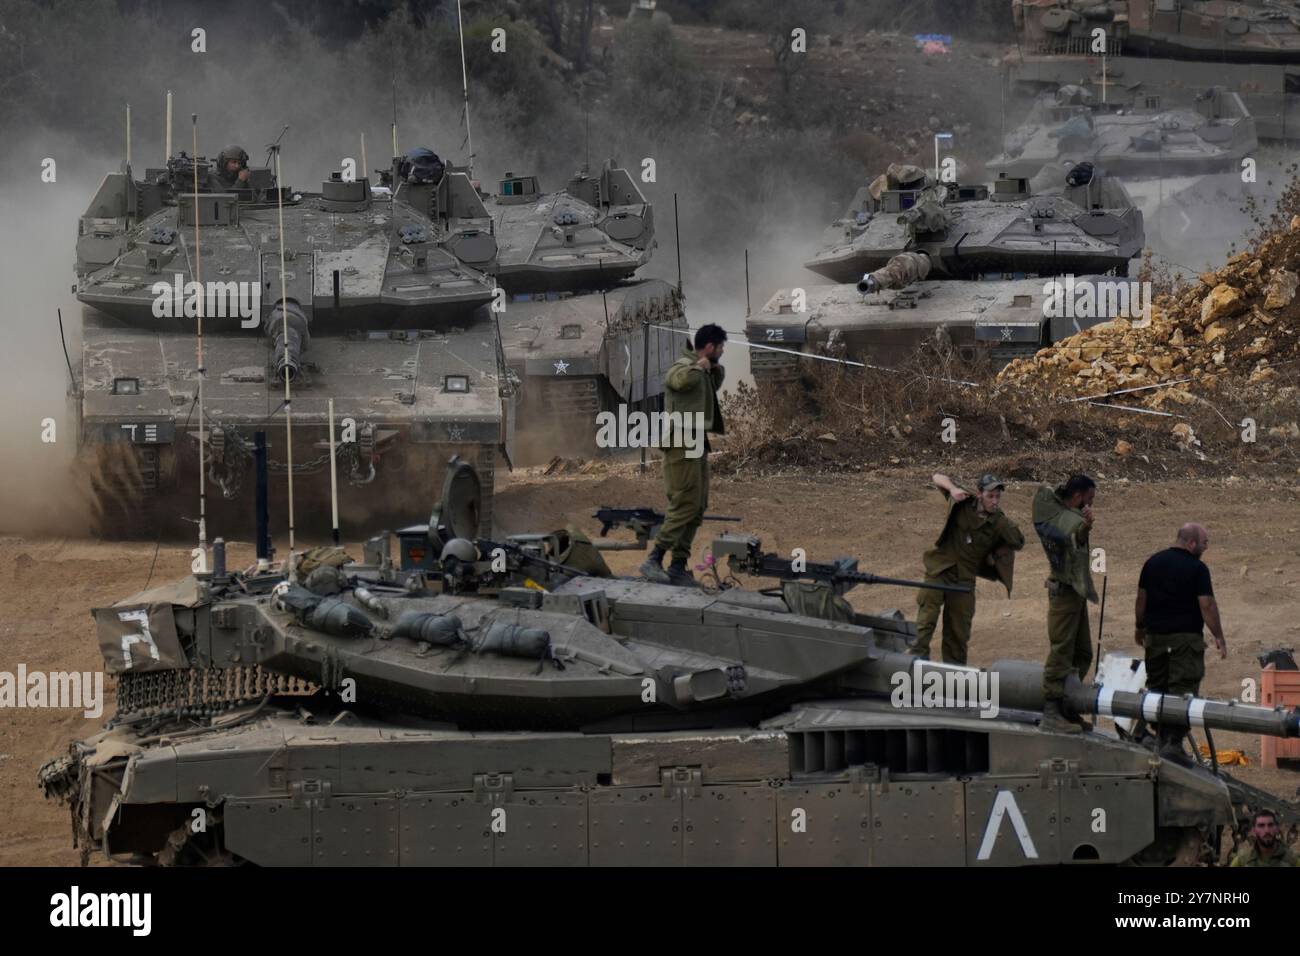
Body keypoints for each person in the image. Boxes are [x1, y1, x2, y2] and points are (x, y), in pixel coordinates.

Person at [640, 324, 726, 587]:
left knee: (697, 507)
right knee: (684, 504)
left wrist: (713, 367)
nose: (722, 351)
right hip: (681, 443)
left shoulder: (702, 367)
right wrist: (700, 365)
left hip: (696, 441)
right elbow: (678, 380)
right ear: (710, 347)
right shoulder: (683, 364)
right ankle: (654, 559)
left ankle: (678, 565)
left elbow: (714, 384)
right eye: (720, 347)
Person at [1135, 522, 1228, 761]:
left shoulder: (1152, 563)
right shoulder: (1197, 569)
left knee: (1157, 688)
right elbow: (1206, 604)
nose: (1206, 547)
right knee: (1182, 691)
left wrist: (1139, 627)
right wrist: (1218, 635)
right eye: (1205, 543)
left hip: (1155, 639)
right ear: (1192, 543)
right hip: (1185, 641)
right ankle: (1173, 744)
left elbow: (1141, 599)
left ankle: (1157, 738)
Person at [913, 473, 1024, 665]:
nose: (995, 501)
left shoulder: (997, 522)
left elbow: (1018, 541)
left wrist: (1002, 523)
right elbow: (937, 476)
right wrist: (952, 489)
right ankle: (914, 666)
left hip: (964, 580)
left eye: (998, 496)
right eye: (990, 496)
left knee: (958, 633)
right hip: (939, 571)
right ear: (980, 493)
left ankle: (953, 678)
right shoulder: (962, 503)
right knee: (925, 623)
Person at [1032, 474, 1098, 733]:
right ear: (1079, 496)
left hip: (1076, 591)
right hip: (1064, 593)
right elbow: (1069, 538)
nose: (1091, 504)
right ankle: (1051, 713)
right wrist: (1085, 525)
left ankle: (1068, 707)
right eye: (1089, 499)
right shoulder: (1058, 519)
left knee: (1082, 653)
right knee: (1060, 652)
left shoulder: (1066, 514)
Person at [1229, 809, 1299, 867]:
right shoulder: (1243, 860)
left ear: (1277, 829)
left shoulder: (1292, 860)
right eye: (1261, 826)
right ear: (1254, 830)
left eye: (1270, 825)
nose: (1267, 830)